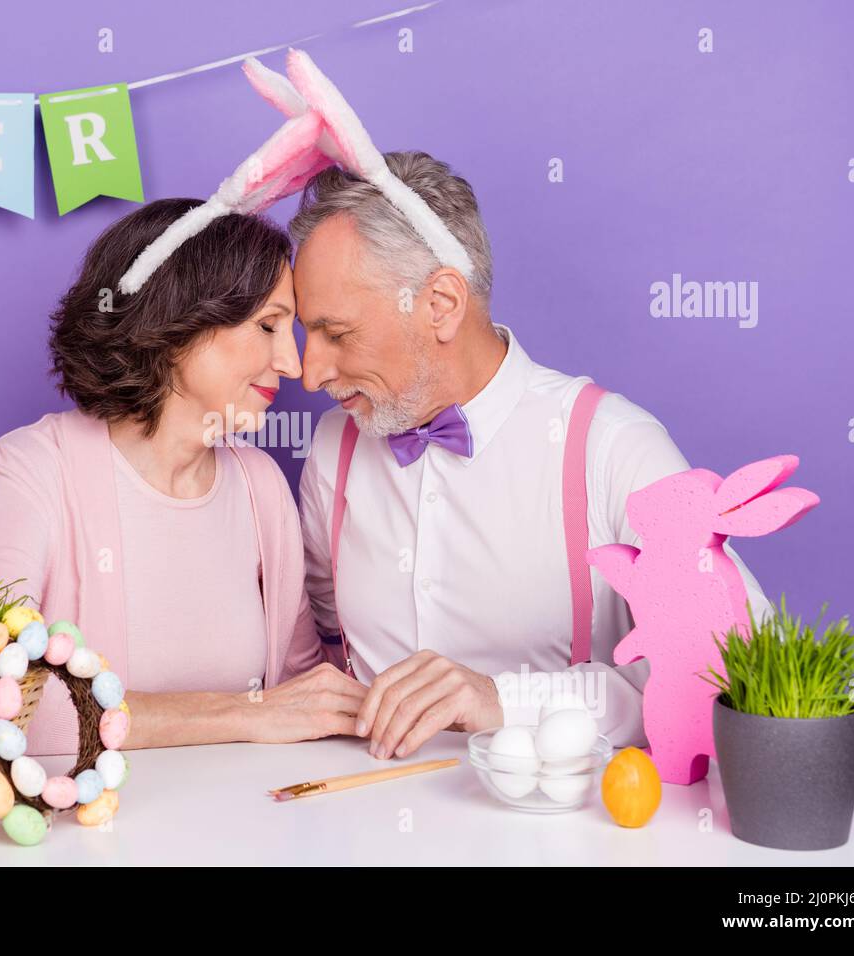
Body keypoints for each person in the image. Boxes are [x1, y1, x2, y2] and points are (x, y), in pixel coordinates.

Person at [293, 150, 770, 761]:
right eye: (309, 333)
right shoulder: (336, 448)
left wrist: (503, 700)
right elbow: (312, 646)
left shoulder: (611, 446)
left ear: (440, 304)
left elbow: (734, 666)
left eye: (337, 333)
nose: (310, 372)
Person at [0, 199, 362, 755]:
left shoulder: (260, 487)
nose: (292, 364)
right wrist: (246, 712)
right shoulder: (25, 475)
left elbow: (296, 694)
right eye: (268, 326)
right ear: (176, 325)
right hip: (88, 835)